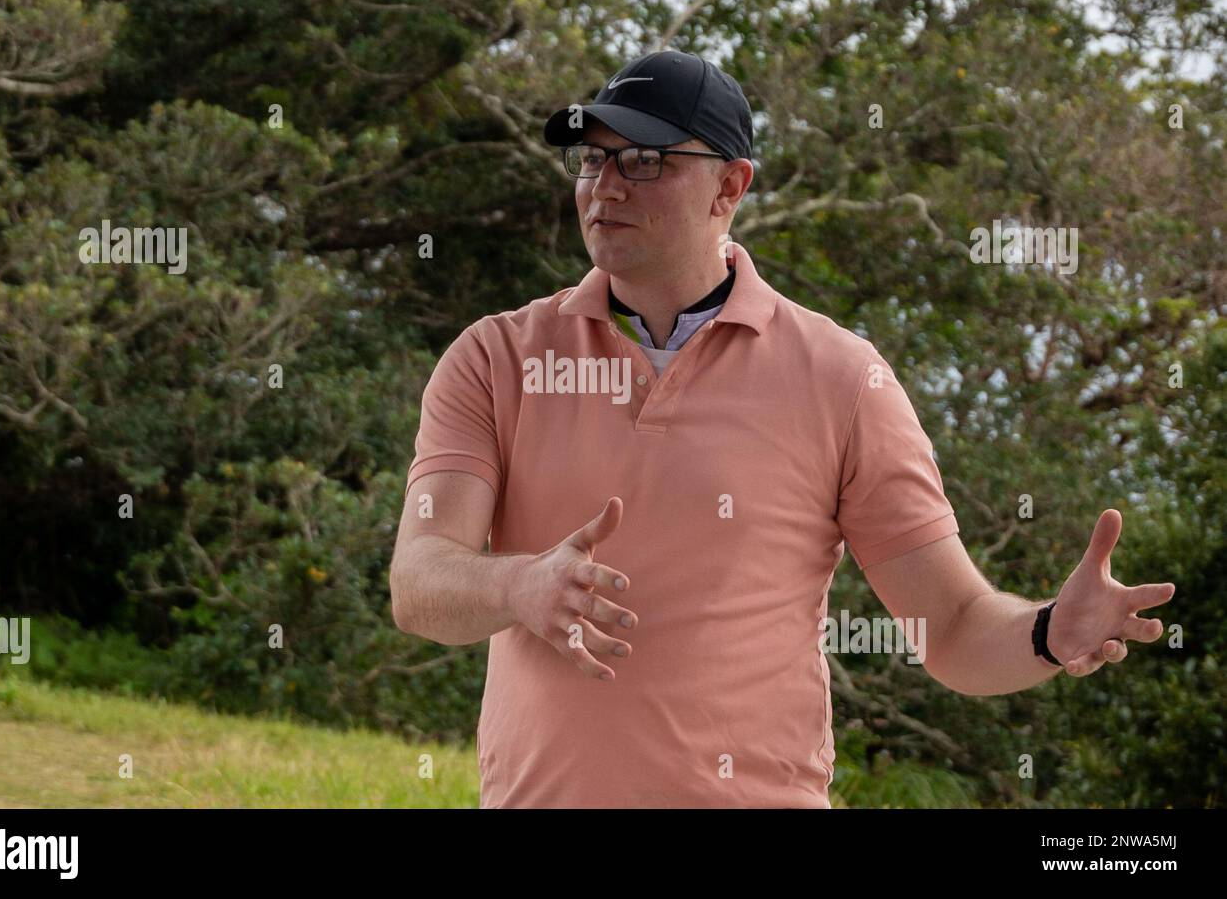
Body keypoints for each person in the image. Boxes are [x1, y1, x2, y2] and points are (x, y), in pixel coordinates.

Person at [388, 49, 1176, 808]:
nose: (606, 186)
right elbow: (420, 581)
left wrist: (1045, 632)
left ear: (730, 186)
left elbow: (953, 627)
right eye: (593, 160)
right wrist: (516, 584)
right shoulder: (495, 358)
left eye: (646, 160)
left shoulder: (843, 378)